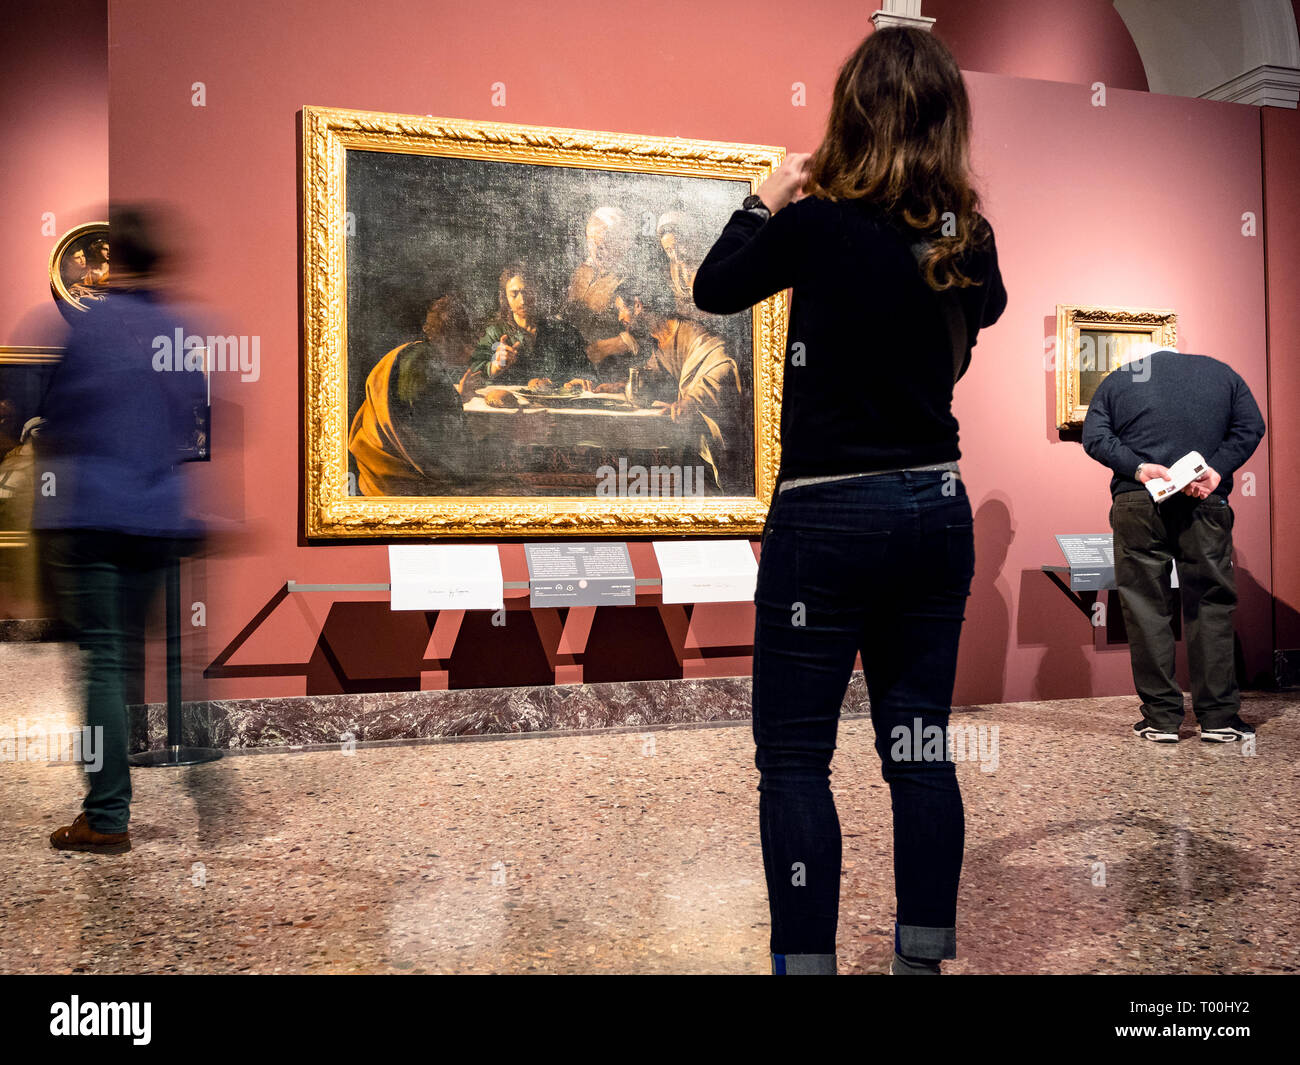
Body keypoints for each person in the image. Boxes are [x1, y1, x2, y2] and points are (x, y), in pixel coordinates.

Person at [693, 26, 1006, 975]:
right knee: (919, 748)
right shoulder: (965, 233)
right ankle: (920, 959)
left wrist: (762, 198)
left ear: (853, 113)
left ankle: (807, 965)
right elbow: (983, 312)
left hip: (827, 514)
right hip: (935, 506)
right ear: (947, 121)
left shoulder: (820, 224)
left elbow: (716, 286)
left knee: (794, 761)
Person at [34, 204, 207, 855]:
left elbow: (59, 419)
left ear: (115, 259)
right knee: (127, 660)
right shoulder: (180, 328)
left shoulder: (93, 324)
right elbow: (192, 419)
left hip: (94, 517)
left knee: (102, 664)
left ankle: (107, 815)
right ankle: (110, 803)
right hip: (158, 517)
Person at [1082, 346, 1265, 745]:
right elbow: (1252, 427)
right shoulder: (1223, 373)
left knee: (1146, 606)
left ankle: (1162, 721)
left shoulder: (1117, 380)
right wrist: (1216, 471)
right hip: (1205, 499)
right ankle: (1218, 719)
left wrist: (1139, 468)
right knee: (1211, 604)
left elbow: (1094, 438)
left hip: (1137, 499)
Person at [348, 294, 487, 495]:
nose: (472, 350)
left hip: (374, 471)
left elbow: (416, 405)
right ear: (451, 337)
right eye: (469, 340)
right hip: (398, 480)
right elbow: (437, 444)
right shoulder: (423, 364)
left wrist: (458, 394)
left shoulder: (412, 352)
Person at [468, 265, 589, 386]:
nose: (523, 301)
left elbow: (586, 371)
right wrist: (495, 367)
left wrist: (578, 380)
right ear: (505, 298)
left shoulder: (562, 331)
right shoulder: (494, 333)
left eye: (527, 292)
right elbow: (472, 374)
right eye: (514, 294)